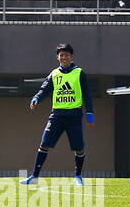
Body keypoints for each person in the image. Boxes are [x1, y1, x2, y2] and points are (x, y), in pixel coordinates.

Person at [22, 42, 94, 186]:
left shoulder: (79, 73)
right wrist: (36, 98)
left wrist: (90, 113)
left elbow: (87, 94)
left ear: (71, 56)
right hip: (57, 116)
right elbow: (44, 89)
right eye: (61, 55)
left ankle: (78, 176)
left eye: (66, 55)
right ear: (57, 57)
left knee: (78, 147)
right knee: (44, 144)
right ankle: (34, 176)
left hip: (74, 116)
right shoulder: (54, 74)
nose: (64, 57)